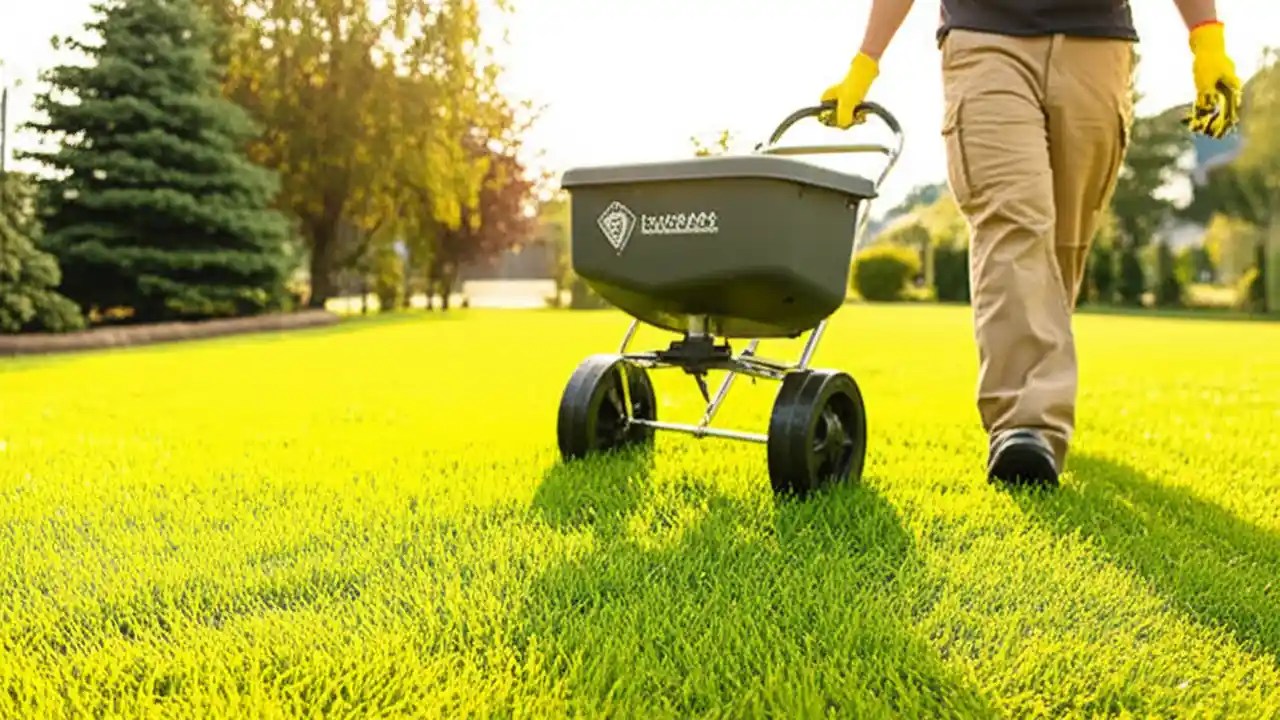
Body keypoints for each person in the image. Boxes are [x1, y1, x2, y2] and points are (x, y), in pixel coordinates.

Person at [820, 0, 1242, 486]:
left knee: (1065, 241)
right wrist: (865, 62)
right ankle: (1025, 423)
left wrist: (1207, 41)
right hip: (984, 38)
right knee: (1014, 219)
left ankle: (1035, 399)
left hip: (1096, 41)